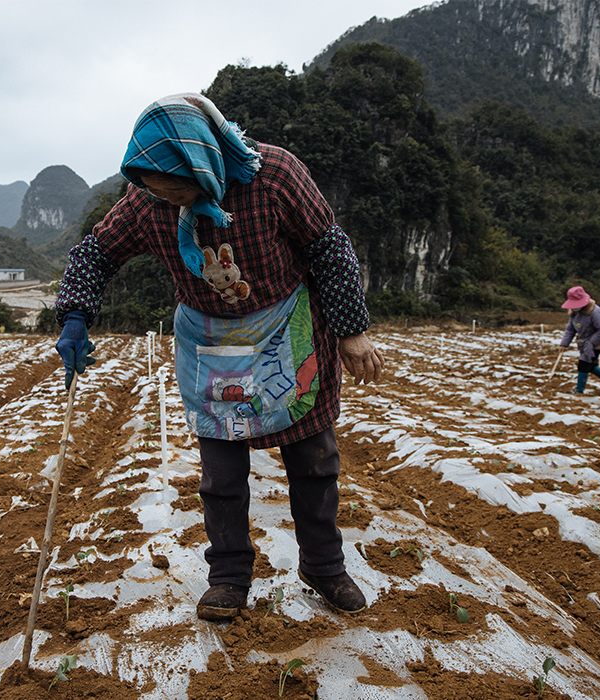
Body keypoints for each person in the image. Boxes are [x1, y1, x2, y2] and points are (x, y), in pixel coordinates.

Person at [53, 93, 384, 621]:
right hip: (210, 343)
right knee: (221, 473)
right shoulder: (146, 201)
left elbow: (329, 246)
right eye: (152, 186)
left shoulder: (272, 175)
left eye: (175, 185)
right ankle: (229, 575)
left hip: (288, 330)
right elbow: (96, 251)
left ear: (203, 160)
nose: (165, 197)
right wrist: (74, 315)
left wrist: (351, 331)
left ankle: (323, 566)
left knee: (314, 461)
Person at [559, 285, 600, 394]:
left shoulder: (595, 312)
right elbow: (570, 328)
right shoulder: (574, 313)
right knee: (590, 365)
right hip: (584, 343)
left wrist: (591, 342)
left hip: (596, 343)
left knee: (583, 365)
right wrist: (564, 343)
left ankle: (579, 390)